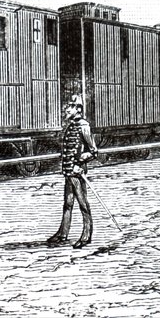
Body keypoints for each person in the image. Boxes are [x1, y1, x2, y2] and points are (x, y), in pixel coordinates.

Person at [46, 95, 98, 249]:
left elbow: (94, 151)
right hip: (69, 172)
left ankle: (87, 234)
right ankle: (63, 233)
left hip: (77, 173)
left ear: (78, 109)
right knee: (67, 203)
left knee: (83, 204)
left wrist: (81, 161)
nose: (67, 109)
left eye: (70, 106)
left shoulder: (83, 126)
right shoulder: (71, 126)